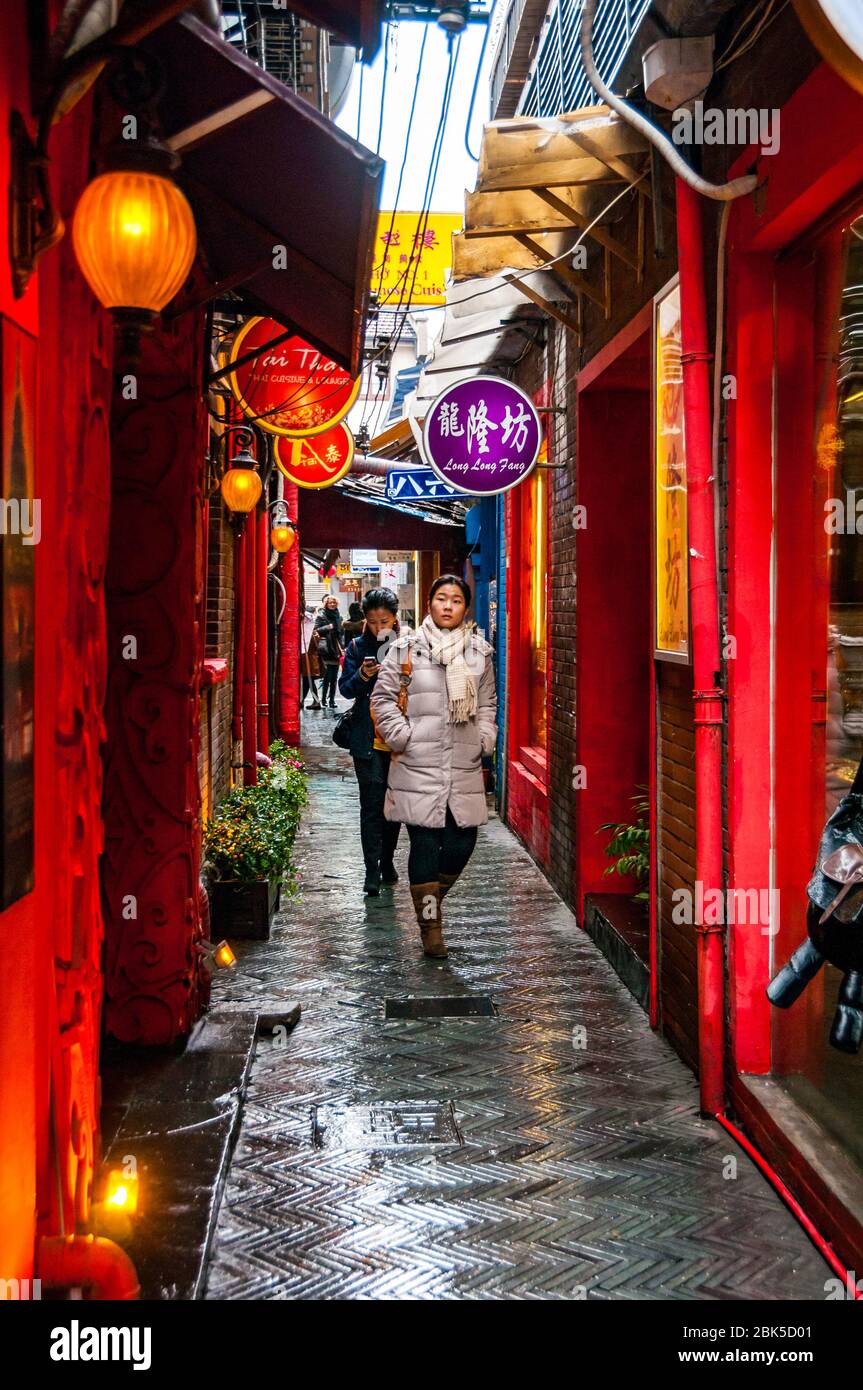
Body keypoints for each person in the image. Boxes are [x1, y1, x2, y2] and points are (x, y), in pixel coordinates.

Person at [371, 574, 496, 958]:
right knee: (424, 842)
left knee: (463, 841)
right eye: (441, 598)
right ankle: (431, 930)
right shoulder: (405, 649)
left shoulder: (479, 653)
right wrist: (402, 737)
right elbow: (382, 699)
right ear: (429, 603)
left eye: (456, 600)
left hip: (463, 762)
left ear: (465, 608)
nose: (447, 606)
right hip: (416, 764)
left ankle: (428, 902)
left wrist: (484, 740)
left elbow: (488, 704)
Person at [339, 587, 402, 896]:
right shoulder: (355, 648)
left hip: (400, 742)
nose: (380, 628)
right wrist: (363, 677)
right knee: (371, 807)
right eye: (374, 621)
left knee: (394, 808)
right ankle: (371, 870)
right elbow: (346, 690)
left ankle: (388, 860)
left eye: (385, 621)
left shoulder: (408, 647)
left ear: (395, 618)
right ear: (365, 620)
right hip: (367, 740)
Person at [314, 595, 344, 708]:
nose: (332, 604)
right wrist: (328, 627)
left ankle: (332, 700)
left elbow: (341, 633)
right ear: (326, 604)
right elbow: (316, 630)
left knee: (334, 677)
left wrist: (342, 646)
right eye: (330, 603)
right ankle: (323, 699)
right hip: (326, 649)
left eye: (334, 603)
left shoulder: (338, 616)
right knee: (326, 677)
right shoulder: (321, 616)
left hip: (336, 649)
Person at [301, 606, 321, 709]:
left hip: (309, 660)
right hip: (308, 660)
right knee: (307, 681)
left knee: (308, 681)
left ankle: (315, 701)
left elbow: (313, 644)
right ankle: (304, 701)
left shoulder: (311, 632)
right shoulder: (312, 631)